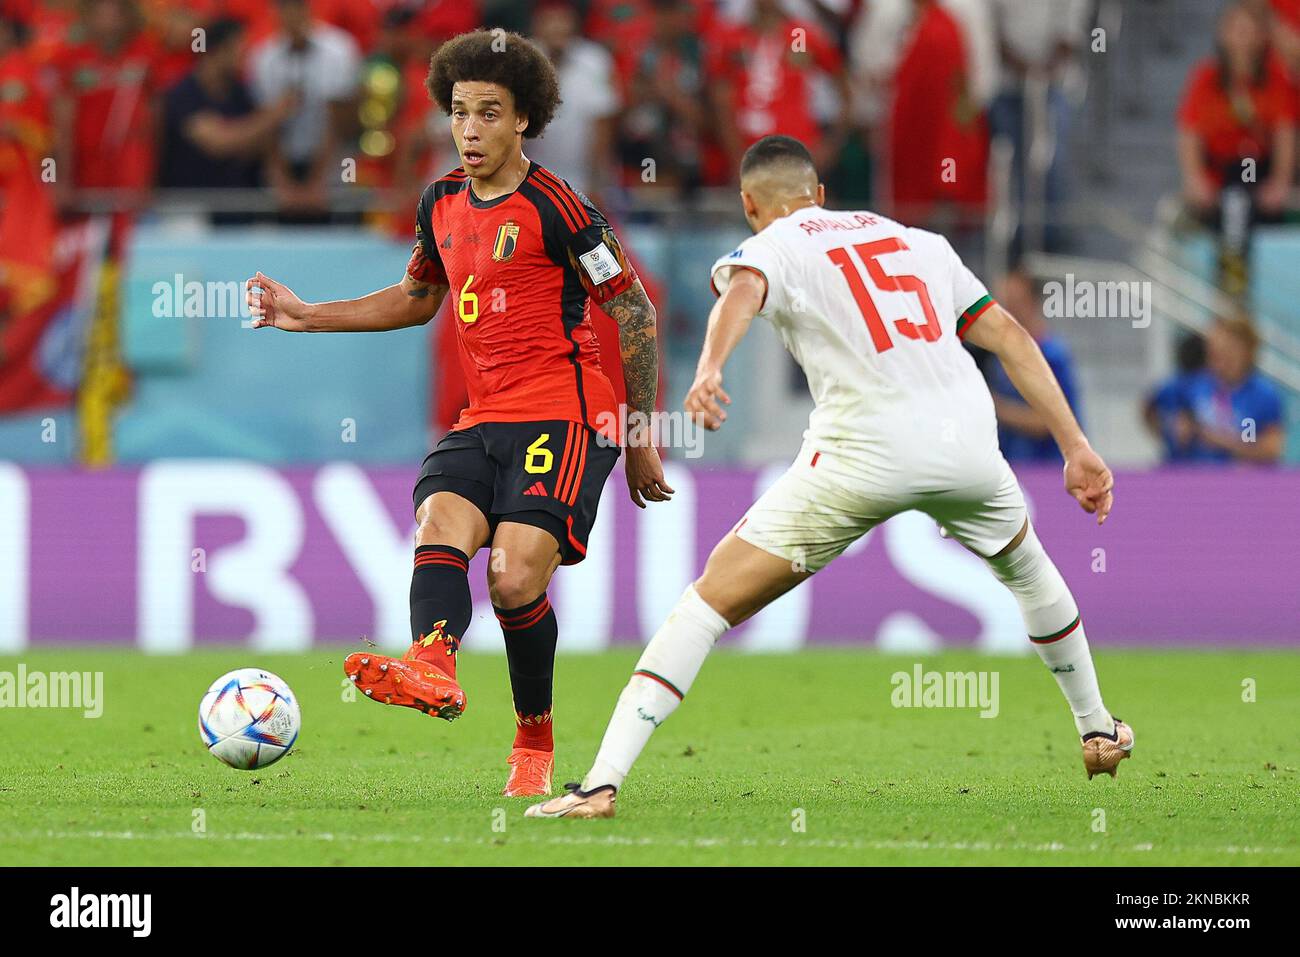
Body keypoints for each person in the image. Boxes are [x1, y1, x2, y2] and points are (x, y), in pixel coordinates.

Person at [526, 135, 1131, 820]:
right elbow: (1013, 340)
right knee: (1028, 569)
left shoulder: (775, 243)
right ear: (820, 194)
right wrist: (1076, 447)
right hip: (965, 446)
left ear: (751, 206)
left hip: (861, 455)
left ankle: (600, 784)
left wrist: (709, 367)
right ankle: (1098, 728)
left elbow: (744, 291)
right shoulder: (923, 243)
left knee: (704, 605)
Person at [244, 29, 672, 798]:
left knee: (511, 577)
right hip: (484, 416)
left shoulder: (559, 205)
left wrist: (640, 434)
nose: (469, 130)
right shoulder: (440, 202)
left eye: (489, 114)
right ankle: (432, 664)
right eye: (459, 112)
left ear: (523, 123)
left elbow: (633, 308)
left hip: (567, 414)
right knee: (438, 520)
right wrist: (306, 315)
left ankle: (533, 737)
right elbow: (417, 297)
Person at [985, 269, 1079, 462]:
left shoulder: (1052, 355)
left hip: (1048, 468)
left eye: (1014, 303)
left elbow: (1050, 421)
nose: (1007, 310)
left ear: (1032, 302)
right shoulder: (999, 355)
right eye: (1002, 304)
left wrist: (997, 408)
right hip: (1011, 463)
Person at [1171, 317, 1284, 464]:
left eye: (1227, 352)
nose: (1219, 361)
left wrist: (1223, 441)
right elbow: (1158, 411)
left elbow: (1272, 450)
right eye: (1214, 353)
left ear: (1246, 352)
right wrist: (1180, 428)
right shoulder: (1194, 385)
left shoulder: (1264, 395)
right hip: (1195, 474)